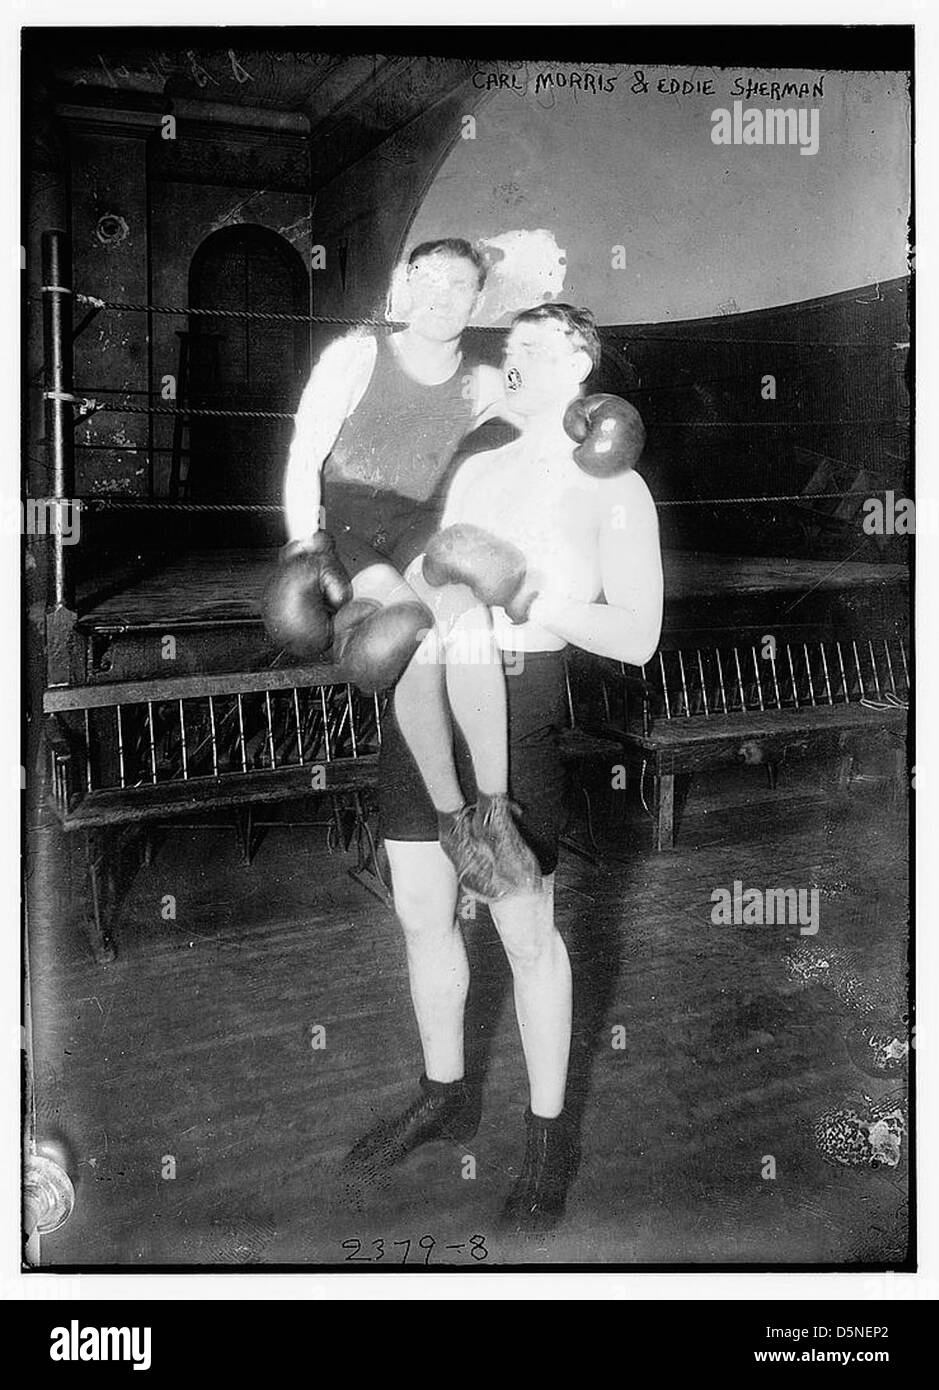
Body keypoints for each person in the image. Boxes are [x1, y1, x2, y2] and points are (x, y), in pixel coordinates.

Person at [344, 303, 664, 1232]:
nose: (511, 358)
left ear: (582, 366)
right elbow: (437, 588)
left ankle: (549, 1137)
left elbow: (637, 637)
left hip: (519, 704)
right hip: (433, 690)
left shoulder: (613, 488)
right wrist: (370, 601)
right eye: (507, 347)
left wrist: (527, 590)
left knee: (526, 935)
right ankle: (445, 1094)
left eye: (534, 346)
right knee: (420, 913)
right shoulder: (477, 469)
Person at [270, 237, 540, 900]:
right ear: (406, 286)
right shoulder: (357, 354)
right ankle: (450, 820)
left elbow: (544, 410)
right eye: (429, 281)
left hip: (421, 525)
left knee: (468, 619)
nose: (440, 298)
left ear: (478, 299)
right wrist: (305, 547)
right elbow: (304, 451)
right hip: (353, 532)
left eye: (458, 287)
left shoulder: (484, 373)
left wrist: (533, 409)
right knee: (418, 638)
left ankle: (494, 812)